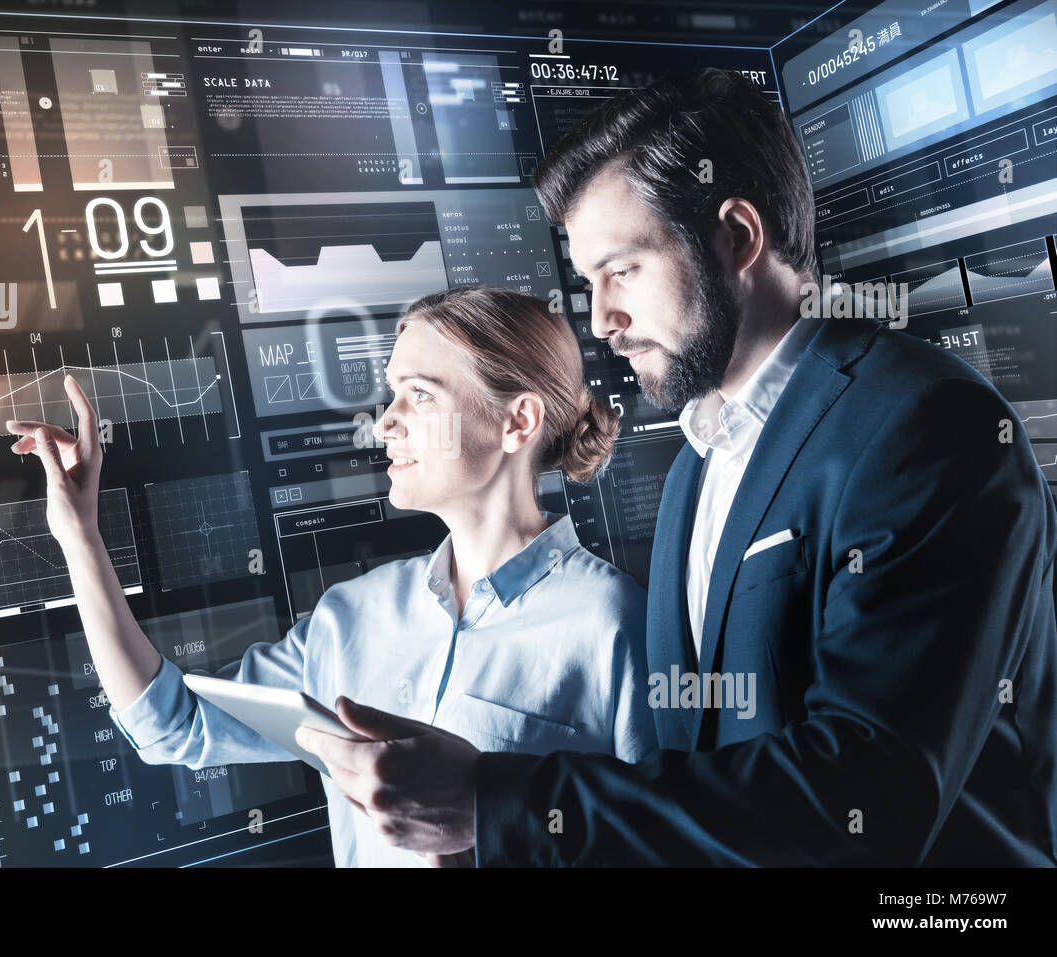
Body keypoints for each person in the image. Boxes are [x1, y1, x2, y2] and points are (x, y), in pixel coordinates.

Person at [294, 67, 1057, 866]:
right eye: (589, 282)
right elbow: (699, 778)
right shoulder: (698, 469)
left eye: (622, 270)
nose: (602, 319)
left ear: (736, 237)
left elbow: (863, 797)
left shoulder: (925, 426)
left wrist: (497, 801)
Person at [5, 285, 655, 867]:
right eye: (392, 392)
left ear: (518, 421)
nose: (385, 422)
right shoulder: (350, 619)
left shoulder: (614, 624)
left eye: (419, 393)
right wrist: (79, 536)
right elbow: (172, 724)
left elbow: (663, 840)